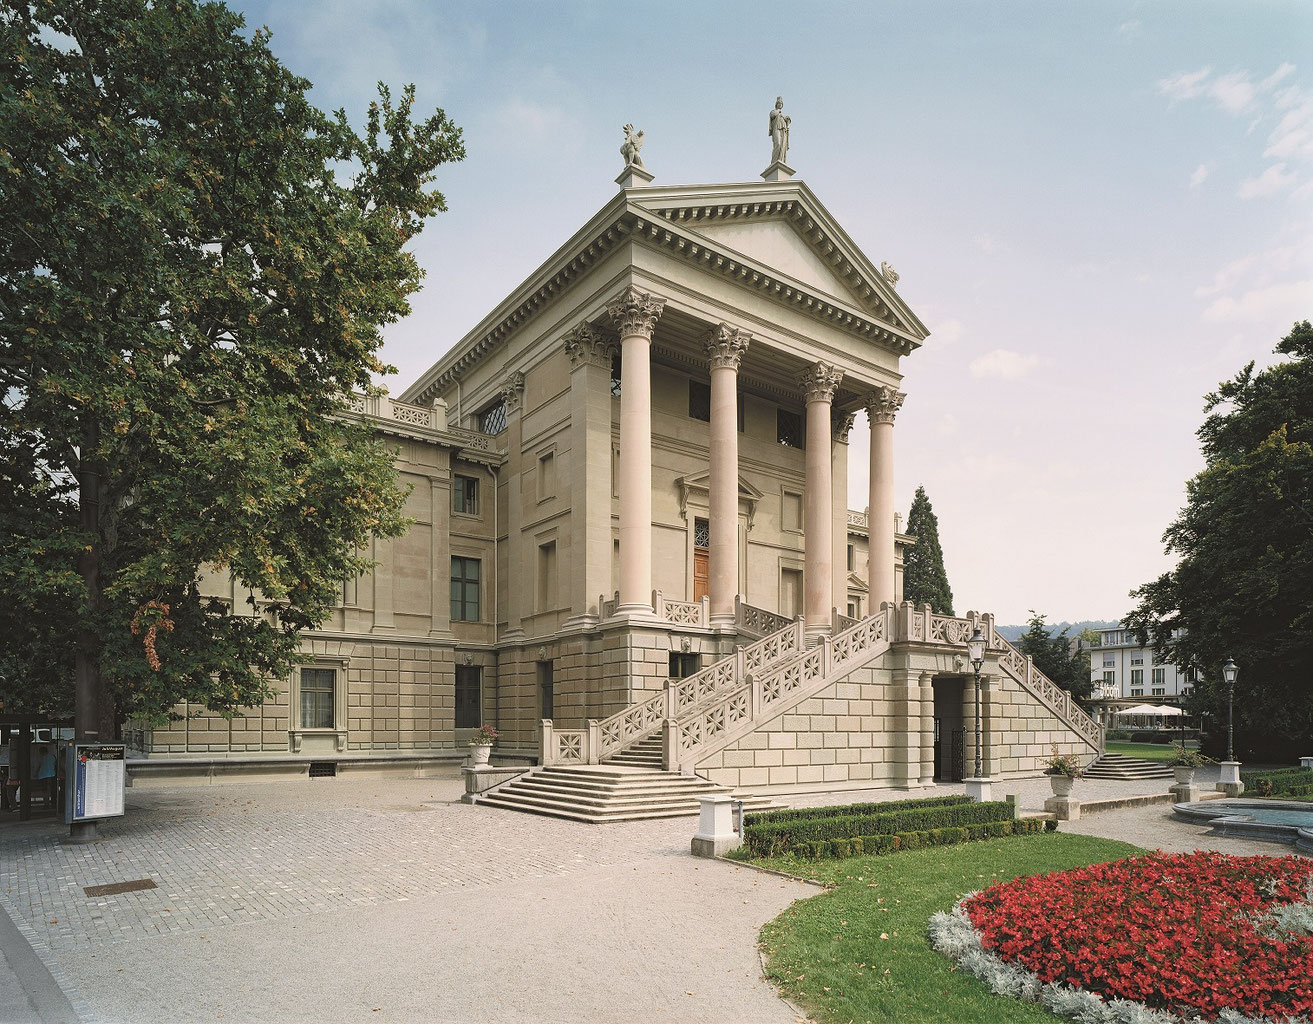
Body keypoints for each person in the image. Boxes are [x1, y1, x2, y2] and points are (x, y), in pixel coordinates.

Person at [769, 97, 791, 165]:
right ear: (776, 104)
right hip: (776, 128)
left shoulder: (782, 116)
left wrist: (787, 120)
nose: (780, 104)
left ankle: (781, 160)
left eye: (781, 103)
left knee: (782, 146)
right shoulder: (774, 112)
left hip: (783, 130)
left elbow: (788, 124)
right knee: (778, 143)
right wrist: (779, 112)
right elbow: (772, 115)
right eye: (779, 103)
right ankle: (774, 161)